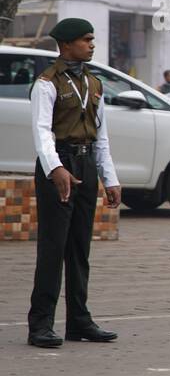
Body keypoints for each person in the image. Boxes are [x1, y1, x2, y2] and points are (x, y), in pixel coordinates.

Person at [26, 18, 121, 348]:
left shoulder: (94, 83)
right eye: (86, 39)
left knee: (80, 247)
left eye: (92, 39)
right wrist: (55, 169)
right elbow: (41, 133)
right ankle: (40, 324)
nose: (92, 44)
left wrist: (110, 178)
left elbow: (102, 135)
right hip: (59, 167)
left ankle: (78, 321)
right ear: (66, 45)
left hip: (86, 162)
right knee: (53, 247)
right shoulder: (46, 83)